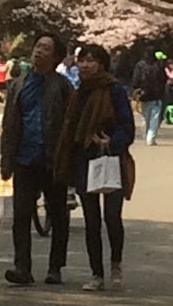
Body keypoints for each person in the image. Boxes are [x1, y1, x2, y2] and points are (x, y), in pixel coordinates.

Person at [55, 45, 133, 292]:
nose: (85, 65)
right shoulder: (79, 92)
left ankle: (116, 264)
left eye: (91, 60)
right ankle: (96, 273)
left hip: (111, 159)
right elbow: (70, 127)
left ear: (102, 63)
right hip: (84, 159)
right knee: (91, 219)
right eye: (81, 60)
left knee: (112, 217)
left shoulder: (114, 90)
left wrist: (112, 142)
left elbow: (127, 125)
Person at [0, 33, 73, 287]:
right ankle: (22, 267)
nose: (39, 51)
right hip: (24, 158)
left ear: (55, 58)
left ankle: (55, 267)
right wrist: (6, 160)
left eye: (46, 49)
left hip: (53, 159)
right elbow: (9, 123)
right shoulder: (18, 84)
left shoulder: (62, 86)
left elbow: (70, 123)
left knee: (58, 214)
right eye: (38, 46)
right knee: (21, 214)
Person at [131, 49, 167, 146]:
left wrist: (136, 90)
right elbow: (163, 80)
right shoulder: (158, 66)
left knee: (145, 117)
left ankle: (146, 134)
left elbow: (135, 80)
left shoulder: (140, 66)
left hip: (144, 95)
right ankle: (151, 138)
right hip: (157, 95)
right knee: (154, 118)